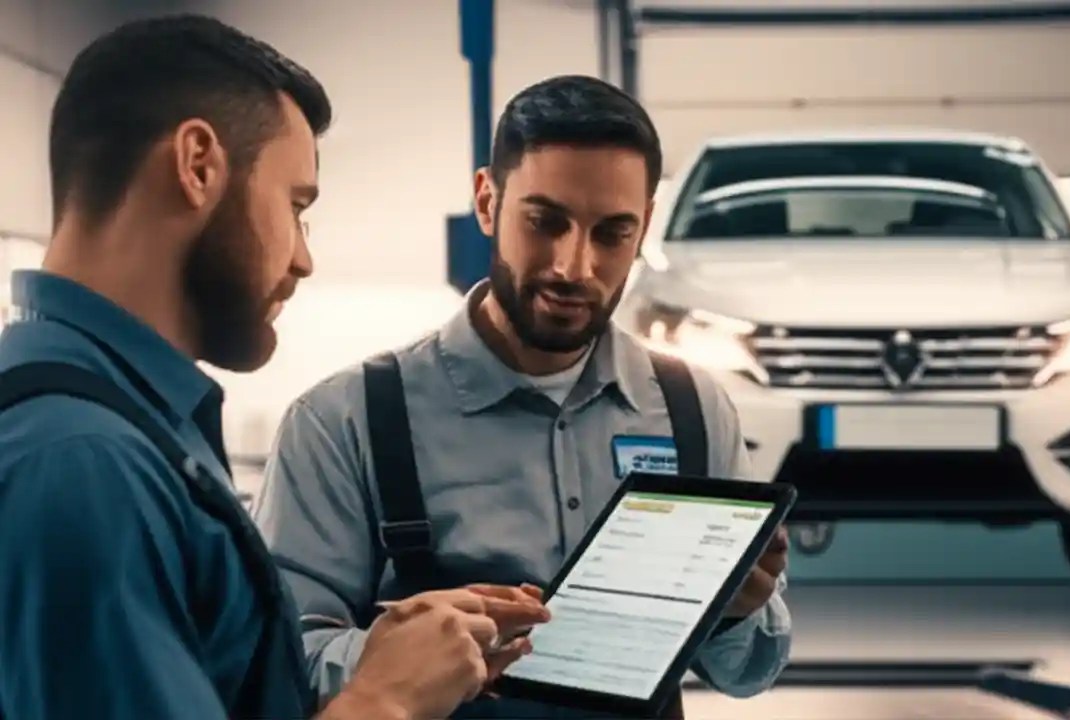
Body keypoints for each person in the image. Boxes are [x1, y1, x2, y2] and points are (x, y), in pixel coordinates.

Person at [0, 14, 547, 720]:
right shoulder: (84, 463)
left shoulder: (112, 416)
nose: (303, 258)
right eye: (295, 206)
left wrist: (389, 659)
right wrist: (386, 700)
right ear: (198, 165)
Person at [253, 74, 793, 719]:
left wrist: (738, 612)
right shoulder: (342, 423)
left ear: (645, 226)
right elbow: (279, 667)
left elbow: (747, 675)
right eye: (545, 222)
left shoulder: (693, 410)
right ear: (487, 201)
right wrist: (414, 655)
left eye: (612, 233)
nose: (574, 267)